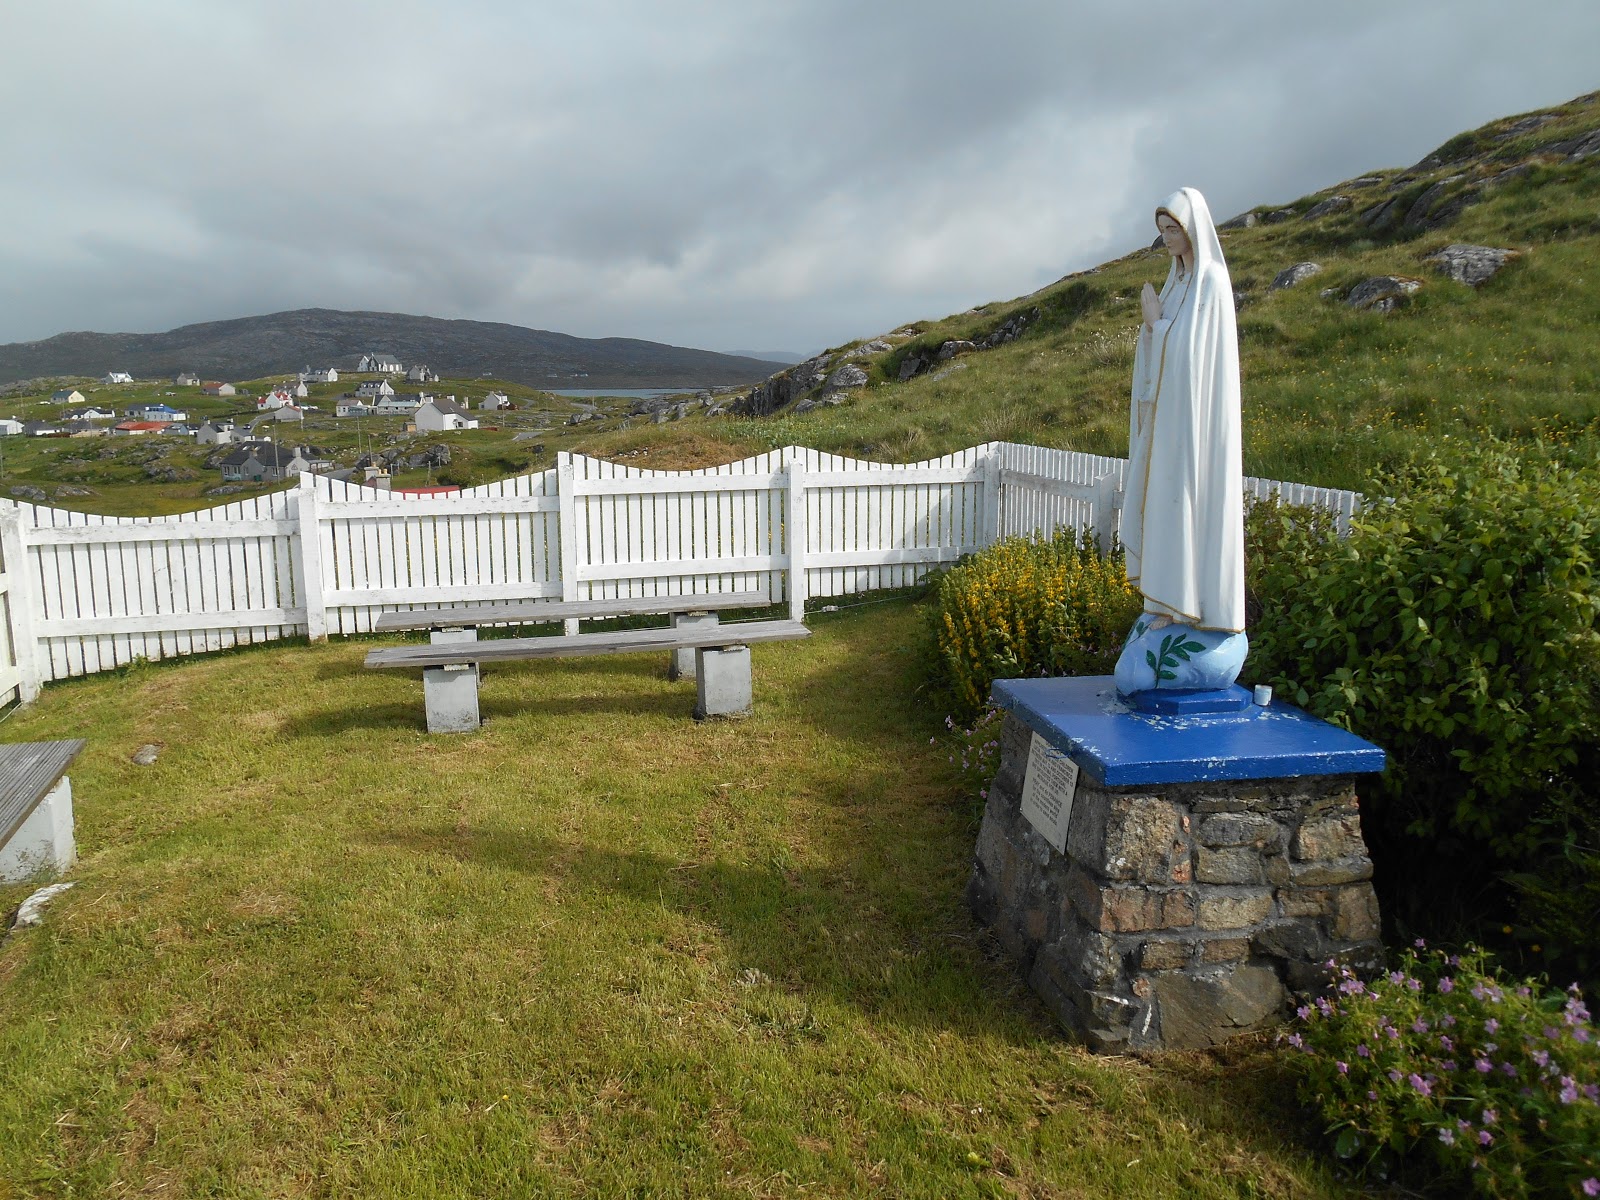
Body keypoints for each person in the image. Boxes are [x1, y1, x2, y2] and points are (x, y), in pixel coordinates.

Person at [1114, 187, 1246, 694]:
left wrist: (1156, 325)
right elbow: (1162, 346)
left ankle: (1192, 603)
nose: (1169, 239)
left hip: (1193, 430)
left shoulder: (1211, 280)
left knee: (1187, 510)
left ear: (1193, 230)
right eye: (1163, 230)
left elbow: (1195, 358)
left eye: (1175, 229)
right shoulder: (1178, 280)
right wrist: (1154, 330)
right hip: (1167, 424)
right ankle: (1166, 603)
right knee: (1163, 509)